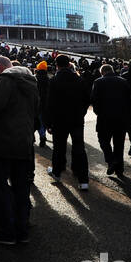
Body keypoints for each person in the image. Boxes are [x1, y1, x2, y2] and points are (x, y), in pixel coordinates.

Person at [0, 59, 39, 245]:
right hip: (24, 143)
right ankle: (22, 231)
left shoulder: (5, 79)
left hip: (2, 142)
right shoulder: (31, 81)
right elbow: (36, 110)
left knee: (0, 186)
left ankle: (6, 232)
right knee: (21, 188)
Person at [44, 54, 90, 190]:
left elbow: (49, 104)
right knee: (79, 148)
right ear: (69, 64)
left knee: (59, 148)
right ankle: (83, 180)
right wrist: (81, 112)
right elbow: (87, 99)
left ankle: (57, 173)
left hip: (59, 119)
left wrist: (48, 123)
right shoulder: (79, 79)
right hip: (76, 118)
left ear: (56, 65)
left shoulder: (54, 81)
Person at [91, 63, 131, 177]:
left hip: (104, 117)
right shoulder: (123, 81)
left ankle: (110, 160)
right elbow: (129, 99)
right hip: (121, 117)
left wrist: (98, 112)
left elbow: (94, 99)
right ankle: (119, 168)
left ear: (102, 72)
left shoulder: (98, 82)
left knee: (103, 140)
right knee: (119, 144)